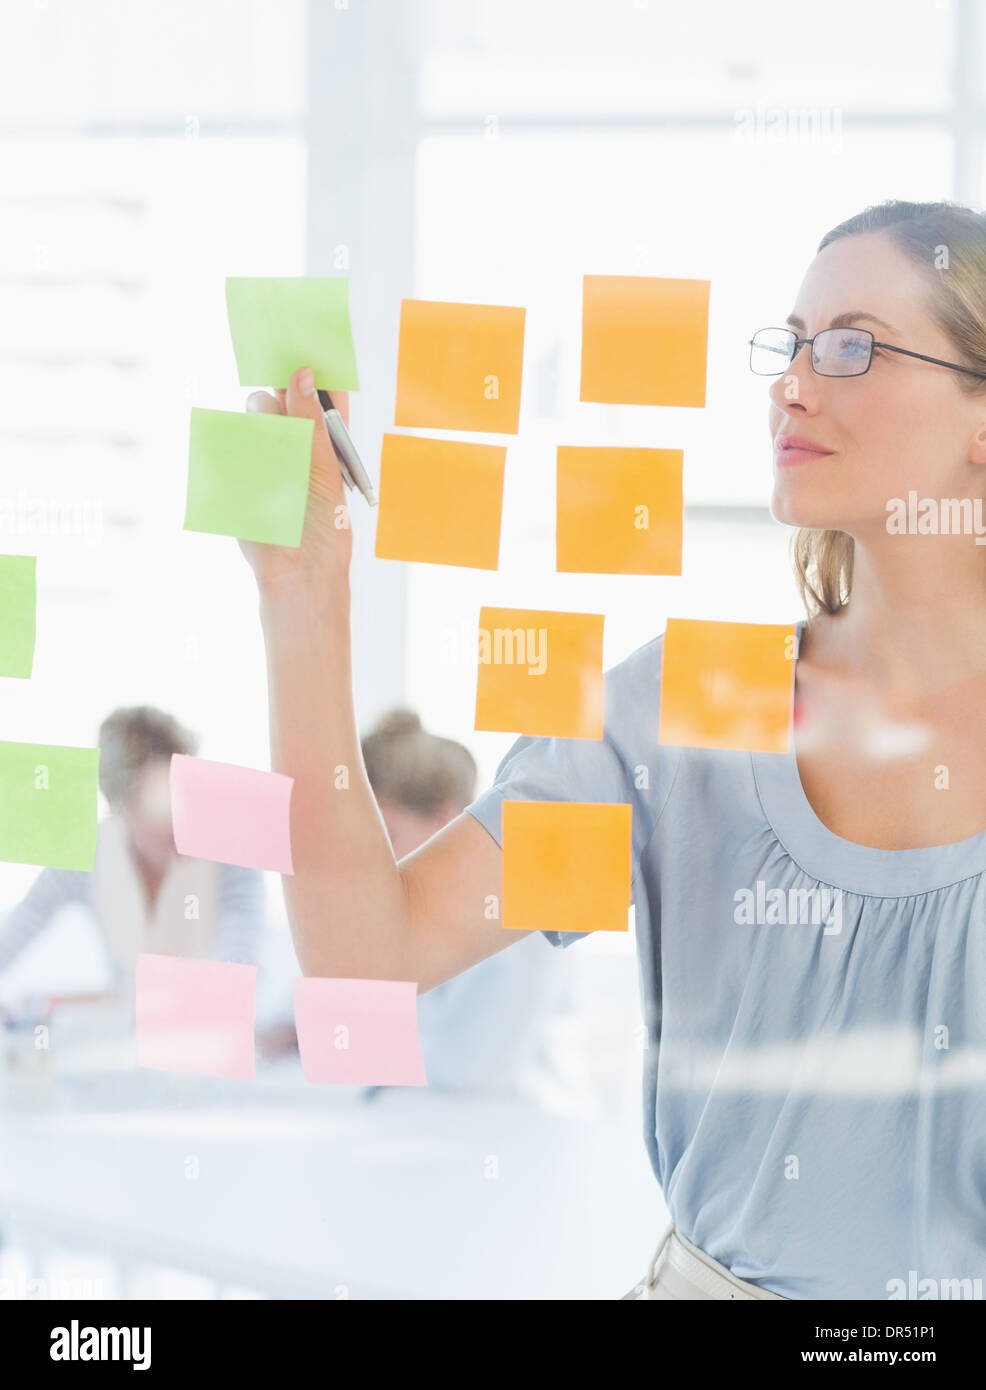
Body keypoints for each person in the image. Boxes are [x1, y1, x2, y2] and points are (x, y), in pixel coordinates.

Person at [239, 198, 986, 1300]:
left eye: (851, 347)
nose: (791, 382)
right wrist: (305, 596)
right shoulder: (690, 704)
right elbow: (368, 955)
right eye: (790, 344)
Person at [257, 708, 562, 1095]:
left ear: (447, 820)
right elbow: (299, 1017)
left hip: (503, 1130)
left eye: (388, 836)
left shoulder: (518, 919)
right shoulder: (377, 911)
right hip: (403, 1125)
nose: (363, 862)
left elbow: (466, 1072)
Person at [0, 707, 267, 1003]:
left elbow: (240, 978)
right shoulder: (87, 856)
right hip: (121, 1041)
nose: (179, 819)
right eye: (161, 801)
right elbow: (11, 938)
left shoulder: (234, 856)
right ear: (120, 805)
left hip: (215, 1037)